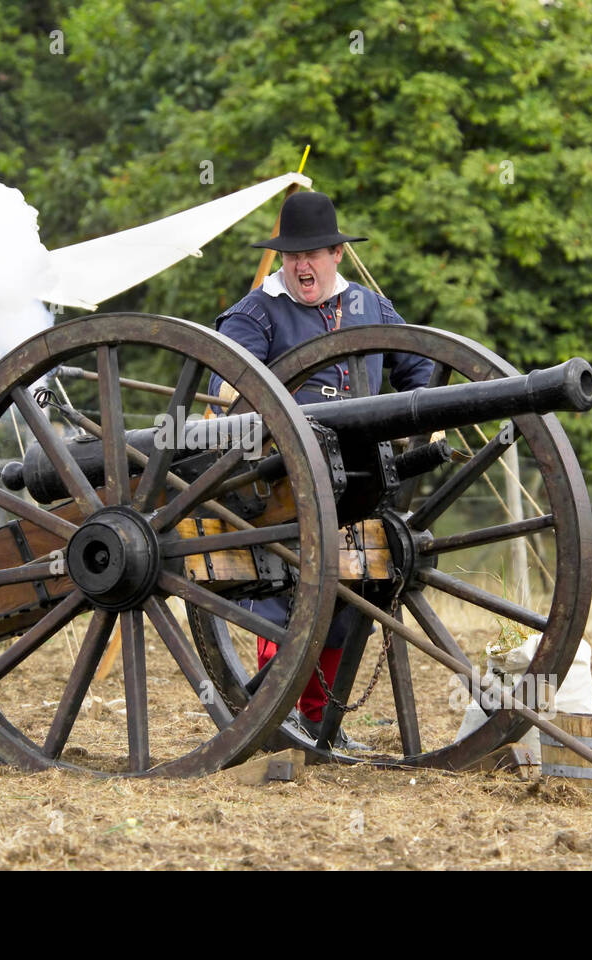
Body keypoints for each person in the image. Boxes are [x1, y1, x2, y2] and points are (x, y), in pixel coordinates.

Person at [207, 191, 435, 751]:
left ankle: (316, 720)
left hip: (358, 482)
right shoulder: (258, 311)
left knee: (345, 594)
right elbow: (227, 378)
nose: (301, 265)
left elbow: (419, 364)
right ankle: (274, 711)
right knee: (285, 593)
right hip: (280, 483)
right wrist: (230, 390)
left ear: (337, 253)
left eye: (312, 253)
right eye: (292, 256)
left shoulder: (369, 309)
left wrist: (426, 414)